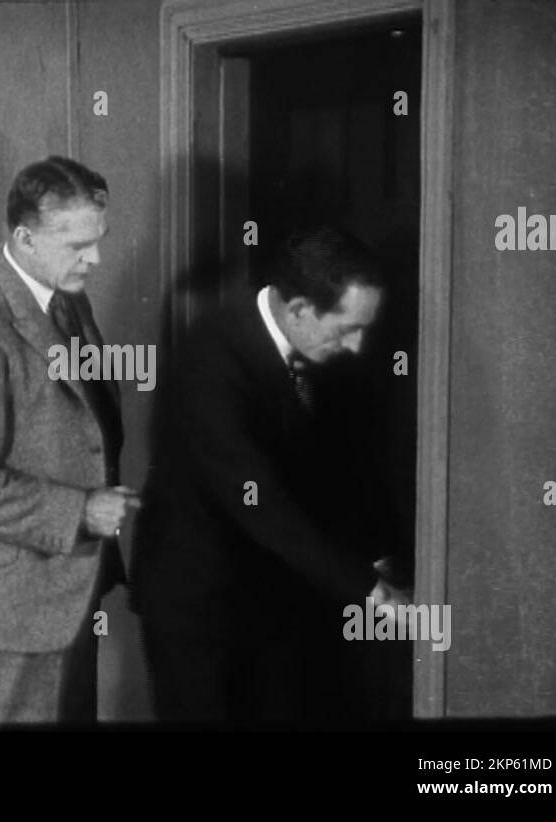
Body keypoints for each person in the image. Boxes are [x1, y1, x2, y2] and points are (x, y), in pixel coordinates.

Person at [130, 226, 411, 725]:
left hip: (268, 597)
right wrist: (373, 593)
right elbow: (262, 505)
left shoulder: (316, 353)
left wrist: (377, 555)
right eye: (346, 328)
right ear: (299, 309)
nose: (359, 345)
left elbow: (339, 468)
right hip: (198, 608)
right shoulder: (210, 361)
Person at [0, 156, 138, 724]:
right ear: (24, 238)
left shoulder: (68, 300)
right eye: (76, 245)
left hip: (70, 579)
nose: (94, 258)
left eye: (98, 240)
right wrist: (81, 510)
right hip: (11, 600)